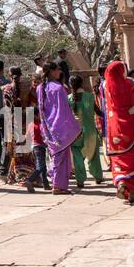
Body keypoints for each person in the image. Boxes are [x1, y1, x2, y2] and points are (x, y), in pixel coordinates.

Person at [101, 61, 134, 203]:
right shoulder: (129, 84)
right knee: (133, 159)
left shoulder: (105, 86)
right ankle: (133, 192)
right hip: (129, 125)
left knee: (118, 158)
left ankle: (121, 182)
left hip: (113, 128)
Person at [36, 61, 80, 194]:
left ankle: (57, 183)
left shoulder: (40, 88)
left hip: (47, 127)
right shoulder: (58, 88)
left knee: (55, 155)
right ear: (51, 71)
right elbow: (64, 111)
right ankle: (59, 186)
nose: (60, 72)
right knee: (62, 157)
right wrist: (75, 126)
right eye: (57, 70)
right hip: (60, 127)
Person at [68, 73, 104, 190]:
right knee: (93, 156)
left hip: (75, 134)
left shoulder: (68, 98)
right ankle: (97, 176)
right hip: (90, 132)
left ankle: (80, 180)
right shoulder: (89, 96)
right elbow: (98, 112)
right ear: (82, 83)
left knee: (77, 156)